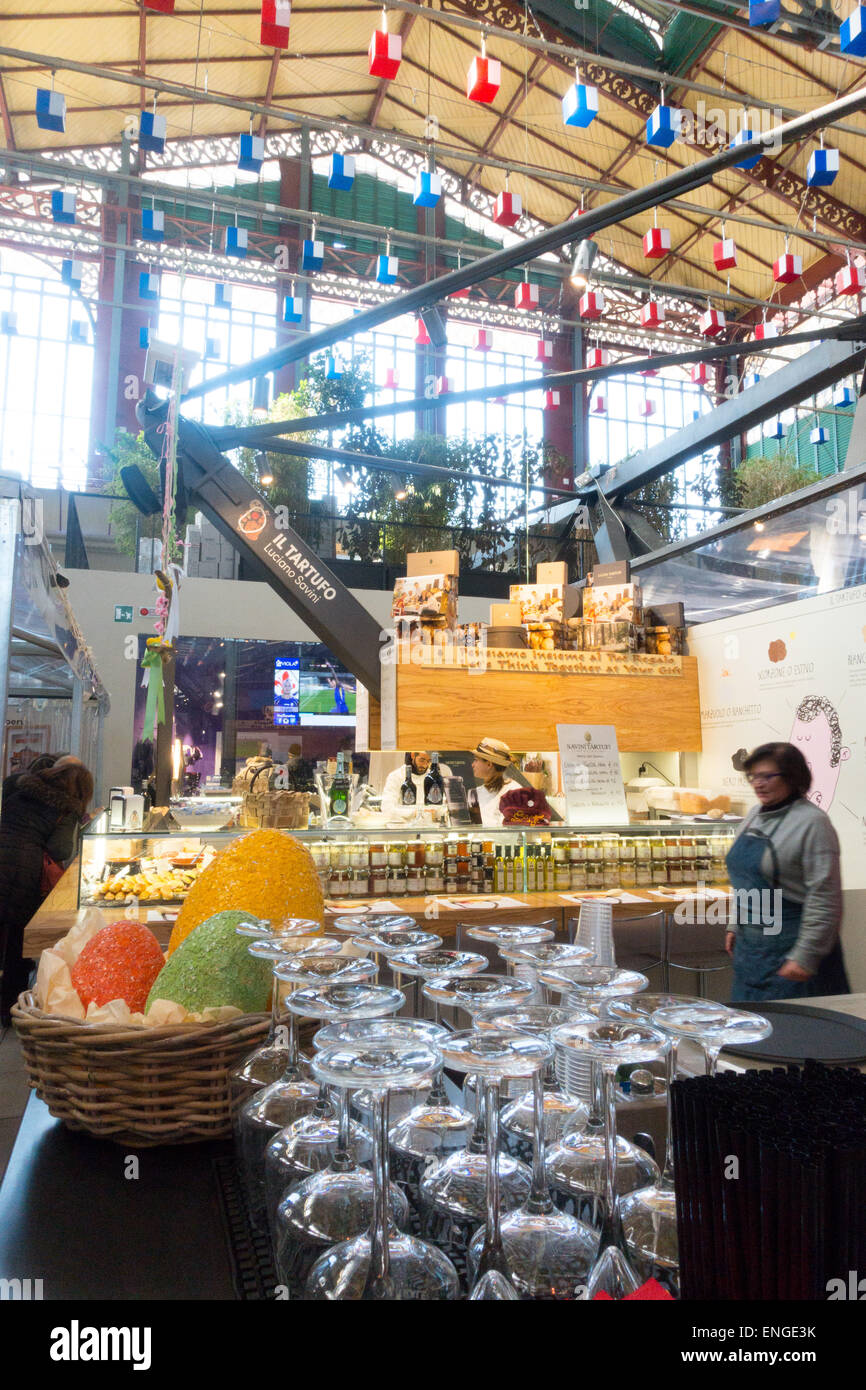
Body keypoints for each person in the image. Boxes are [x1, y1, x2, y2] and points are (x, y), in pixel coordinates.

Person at [725, 741, 849, 1003]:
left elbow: (825, 897)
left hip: (793, 951)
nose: (758, 784)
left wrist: (806, 956)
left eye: (767, 776)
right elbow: (744, 882)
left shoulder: (812, 822)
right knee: (751, 1023)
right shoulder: (754, 815)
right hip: (752, 952)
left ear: (793, 777)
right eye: (753, 776)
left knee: (794, 1024)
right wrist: (735, 924)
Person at [0, 755, 94, 1024]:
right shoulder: (67, 806)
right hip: (22, 871)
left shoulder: (22, 786)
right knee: (18, 938)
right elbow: (60, 849)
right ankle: (8, 1008)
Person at [380, 751, 452, 821]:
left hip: (430, 827)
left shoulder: (433, 777)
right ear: (413, 755)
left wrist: (438, 812)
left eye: (428, 761)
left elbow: (442, 806)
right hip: (405, 827)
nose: (425, 765)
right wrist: (414, 813)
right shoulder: (396, 776)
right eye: (422, 760)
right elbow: (387, 808)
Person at [470, 738, 522, 827]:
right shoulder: (477, 791)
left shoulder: (514, 792)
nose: (472, 765)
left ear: (489, 764)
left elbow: (509, 831)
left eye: (476, 760)